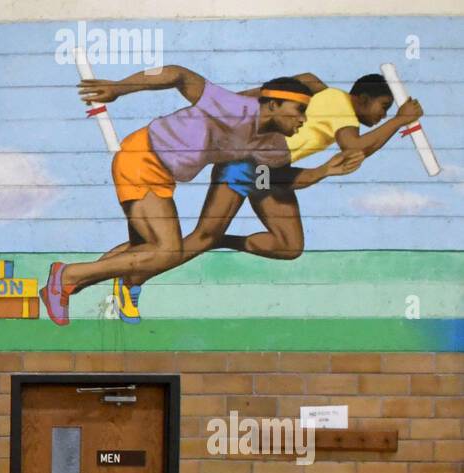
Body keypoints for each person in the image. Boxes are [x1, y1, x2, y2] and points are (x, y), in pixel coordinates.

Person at [110, 73, 420, 321]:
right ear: (363, 99)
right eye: (383, 107)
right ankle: (132, 278)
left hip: (272, 169)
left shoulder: (324, 95)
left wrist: (394, 123)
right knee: (202, 237)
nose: (383, 115)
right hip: (247, 163)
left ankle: (216, 242)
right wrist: (400, 121)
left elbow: (358, 152)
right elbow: (354, 148)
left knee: (288, 246)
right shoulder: (340, 105)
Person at [40, 67, 315, 326]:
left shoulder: (274, 147)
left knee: (146, 250)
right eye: (300, 109)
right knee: (167, 250)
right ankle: (67, 275)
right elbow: (178, 74)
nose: (303, 119)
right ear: (273, 104)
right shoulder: (233, 108)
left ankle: (65, 286)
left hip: (162, 178)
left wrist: (324, 172)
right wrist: (119, 88)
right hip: (142, 158)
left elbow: (269, 182)